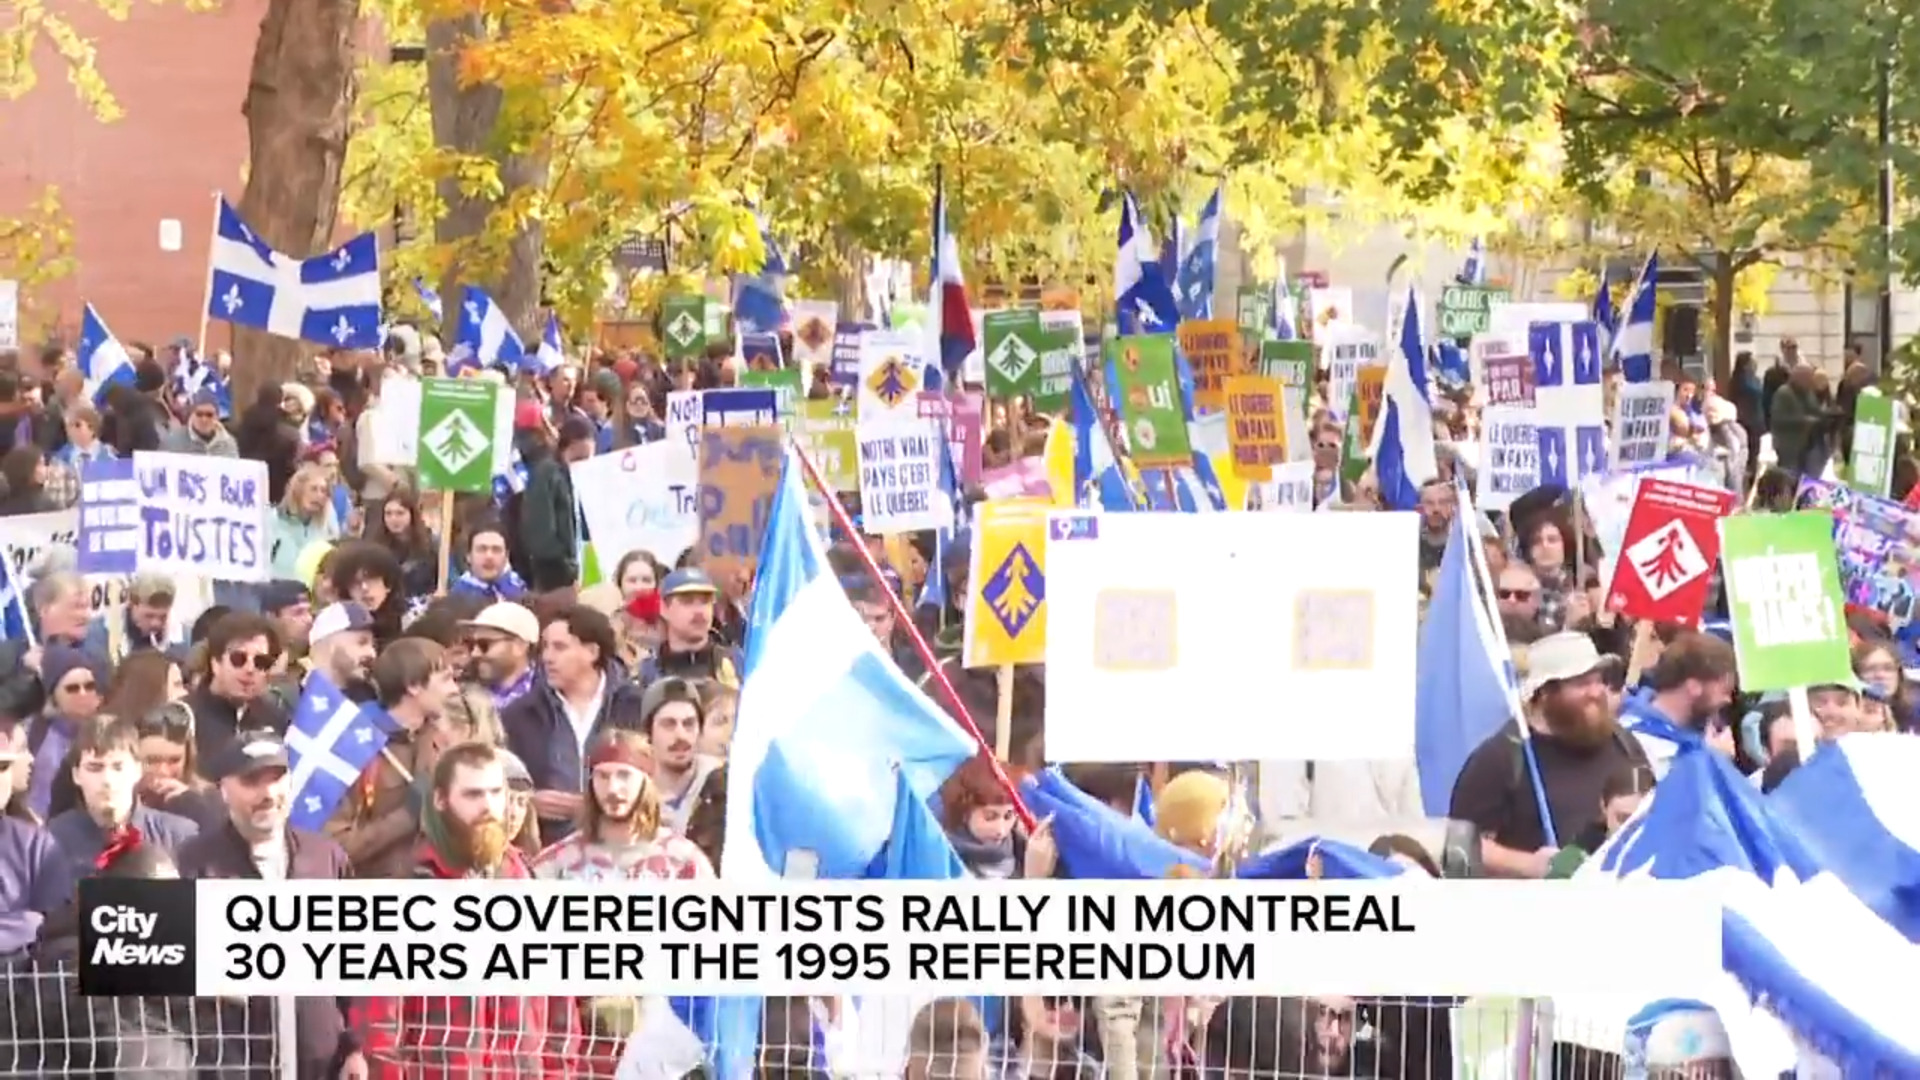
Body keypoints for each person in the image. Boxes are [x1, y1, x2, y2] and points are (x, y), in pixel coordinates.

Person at [351, 743, 555, 1078]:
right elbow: (380, 1022)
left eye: (496, 792)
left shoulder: (527, 882)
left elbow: (559, 1009)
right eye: (473, 795)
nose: (489, 806)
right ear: (441, 800)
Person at [177, 731, 358, 1079]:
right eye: (252, 781)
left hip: (321, 1064)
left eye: (276, 778)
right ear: (223, 789)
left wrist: (354, 1046)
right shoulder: (193, 864)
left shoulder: (326, 858)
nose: (268, 794)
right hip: (234, 1065)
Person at [1450, 632, 1648, 877]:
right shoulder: (1501, 758)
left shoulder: (1623, 744)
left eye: (1598, 680)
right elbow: (1460, 845)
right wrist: (1528, 865)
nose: (1596, 692)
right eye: (1581, 683)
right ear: (1544, 693)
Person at [503, 605, 647, 843]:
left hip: (624, 847)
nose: (547, 657)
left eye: (559, 647)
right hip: (547, 851)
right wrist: (527, 802)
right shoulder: (519, 715)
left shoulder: (635, 707)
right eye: (545, 647)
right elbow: (502, 782)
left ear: (592, 651)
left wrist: (596, 804)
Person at [325, 638, 454, 879]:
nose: (454, 689)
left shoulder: (442, 740)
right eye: (446, 679)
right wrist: (407, 816)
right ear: (414, 686)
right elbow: (335, 846)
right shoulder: (356, 749)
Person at [45, 716, 198, 882]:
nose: (107, 780)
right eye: (94, 768)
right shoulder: (51, 840)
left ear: (138, 770)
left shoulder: (180, 836)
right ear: (76, 775)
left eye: (118, 767)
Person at [1618, 631, 1739, 778]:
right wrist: (1714, 761)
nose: (1728, 700)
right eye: (1724, 690)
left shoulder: (1700, 733)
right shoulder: (1634, 744)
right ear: (1693, 687)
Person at [0, 713, 69, 962]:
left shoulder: (37, 845)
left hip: (23, 989)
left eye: (4, 767)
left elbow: (53, 932)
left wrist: (30, 926)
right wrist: (23, 924)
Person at [186, 612, 290, 767]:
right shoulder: (187, 717)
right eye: (238, 659)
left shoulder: (275, 716)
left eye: (260, 662)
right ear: (216, 663)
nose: (249, 669)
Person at [27, 644, 107, 819]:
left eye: (89, 686)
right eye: (72, 688)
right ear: (53, 695)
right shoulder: (40, 738)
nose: (83, 694)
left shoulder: (109, 730)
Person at [637, 678, 720, 836]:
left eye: (689, 724)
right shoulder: (631, 792)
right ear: (648, 733)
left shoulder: (723, 784)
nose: (681, 735)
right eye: (669, 724)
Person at [636, 568, 742, 688]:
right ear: (664, 609)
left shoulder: (738, 664)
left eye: (705, 601)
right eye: (687, 601)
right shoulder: (647, 674)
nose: (699, 611)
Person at [81, 569, 175, 665]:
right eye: (149, 616)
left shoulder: (180, 644)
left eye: (163, 617)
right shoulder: (96, 638)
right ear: (131, 604)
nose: (156, 623)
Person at [461, 601, 539, 711]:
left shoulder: (550, 700)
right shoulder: (462, 695)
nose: (475, 653)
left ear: (519, 646)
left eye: (484, 645)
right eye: (471, 645)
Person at [448, 522, 528, 602]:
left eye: (496, 550)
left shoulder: (518, 588)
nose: (489, 556)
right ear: (468, 556)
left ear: (507, 556)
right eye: (482, 549)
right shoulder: (458, 597)